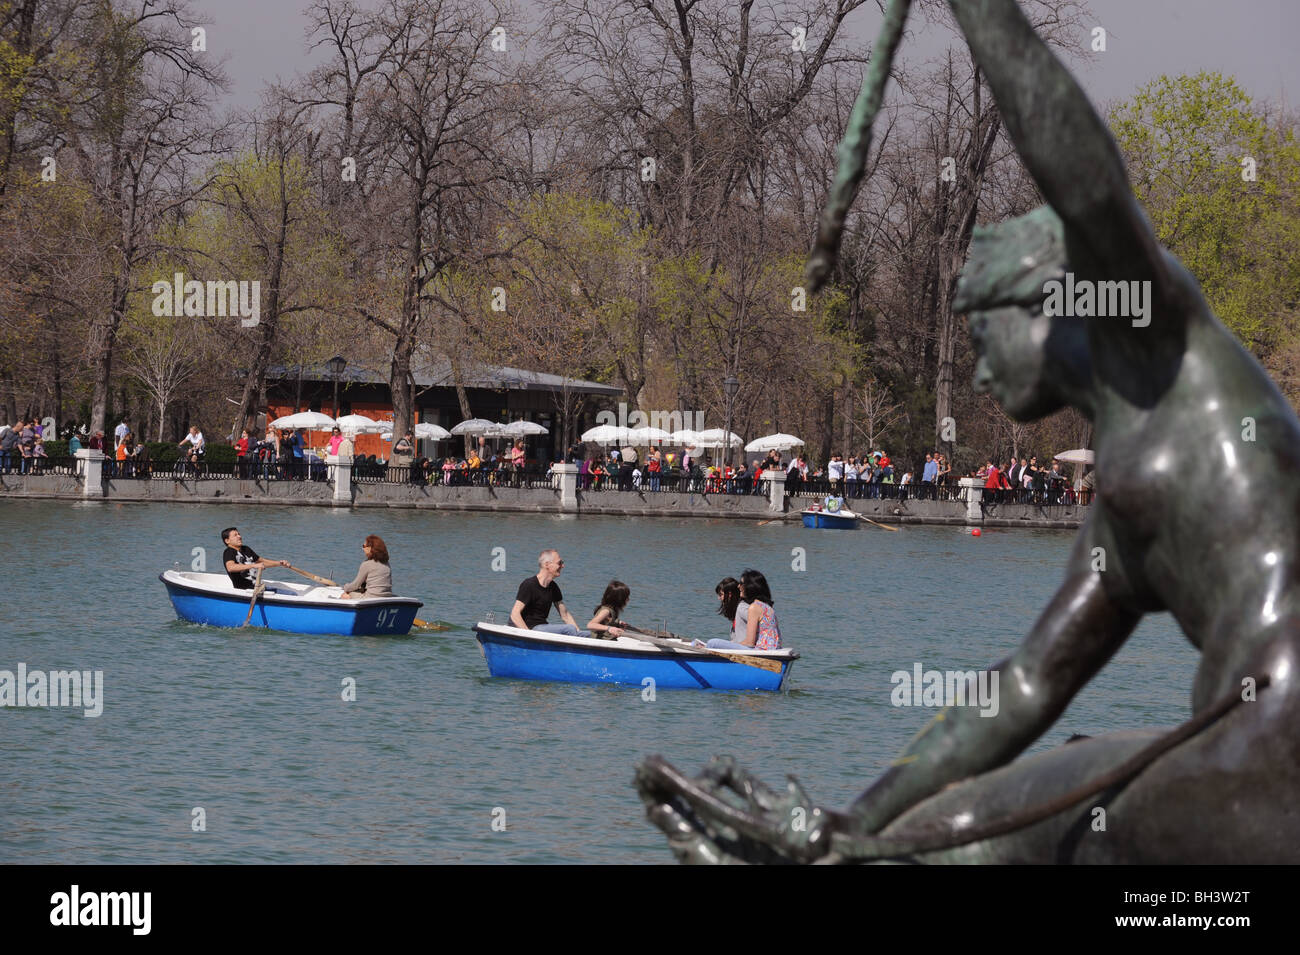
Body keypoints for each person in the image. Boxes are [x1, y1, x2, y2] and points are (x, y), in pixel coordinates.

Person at [509, 549, 589, 637]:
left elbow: (565, 615)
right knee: (569, 629)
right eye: (560, 563)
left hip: (543, 627)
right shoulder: (529, 585)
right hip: (531, 629)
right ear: (547, 564)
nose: (563, 566)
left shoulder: (553, 587)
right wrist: (528, 635)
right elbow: (514, 614)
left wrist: (579, 635)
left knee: (591, 634)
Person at [704, 569, 780, 651]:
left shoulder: (753, 608)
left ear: (751, 586)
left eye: (741, 583)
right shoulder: (766, 606)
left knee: (712, 643)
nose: (738, 586)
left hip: (760, 650)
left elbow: (749, 643)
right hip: (769, 648)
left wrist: (729, 646)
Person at [220, 527, 288, 590]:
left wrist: (279, 563)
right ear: (227, 541)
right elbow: (231, 567)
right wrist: (253, 565)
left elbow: (262, 562)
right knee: (290, 594)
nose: (239, 537)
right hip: (246, 591)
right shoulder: (228, 552)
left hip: (258, 587)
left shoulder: (246, 549)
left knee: (291, 593)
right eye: (235, 535)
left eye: (239, 534)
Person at [713, 577, 749, 643]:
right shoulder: (737, 610)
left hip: (746, 649)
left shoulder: (742, 608)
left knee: (713, 642)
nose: (719, 598)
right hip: (739, 647)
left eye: (721, 595)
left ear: (729, 594)